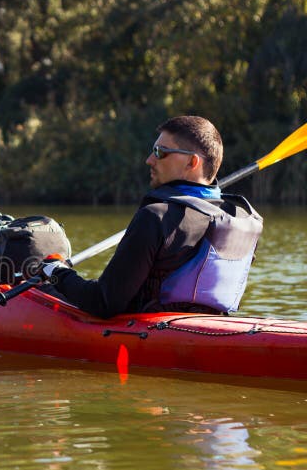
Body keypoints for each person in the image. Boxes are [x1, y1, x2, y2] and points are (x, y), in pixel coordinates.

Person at [39, 115, 263, 318]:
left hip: (149, 333)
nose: (149, 160)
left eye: (160, 152)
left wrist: (58, 273)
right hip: (214, 326)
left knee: (45, 290)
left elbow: (103, 302)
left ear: (192, 163)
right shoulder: (245, 217)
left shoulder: (156, 217)